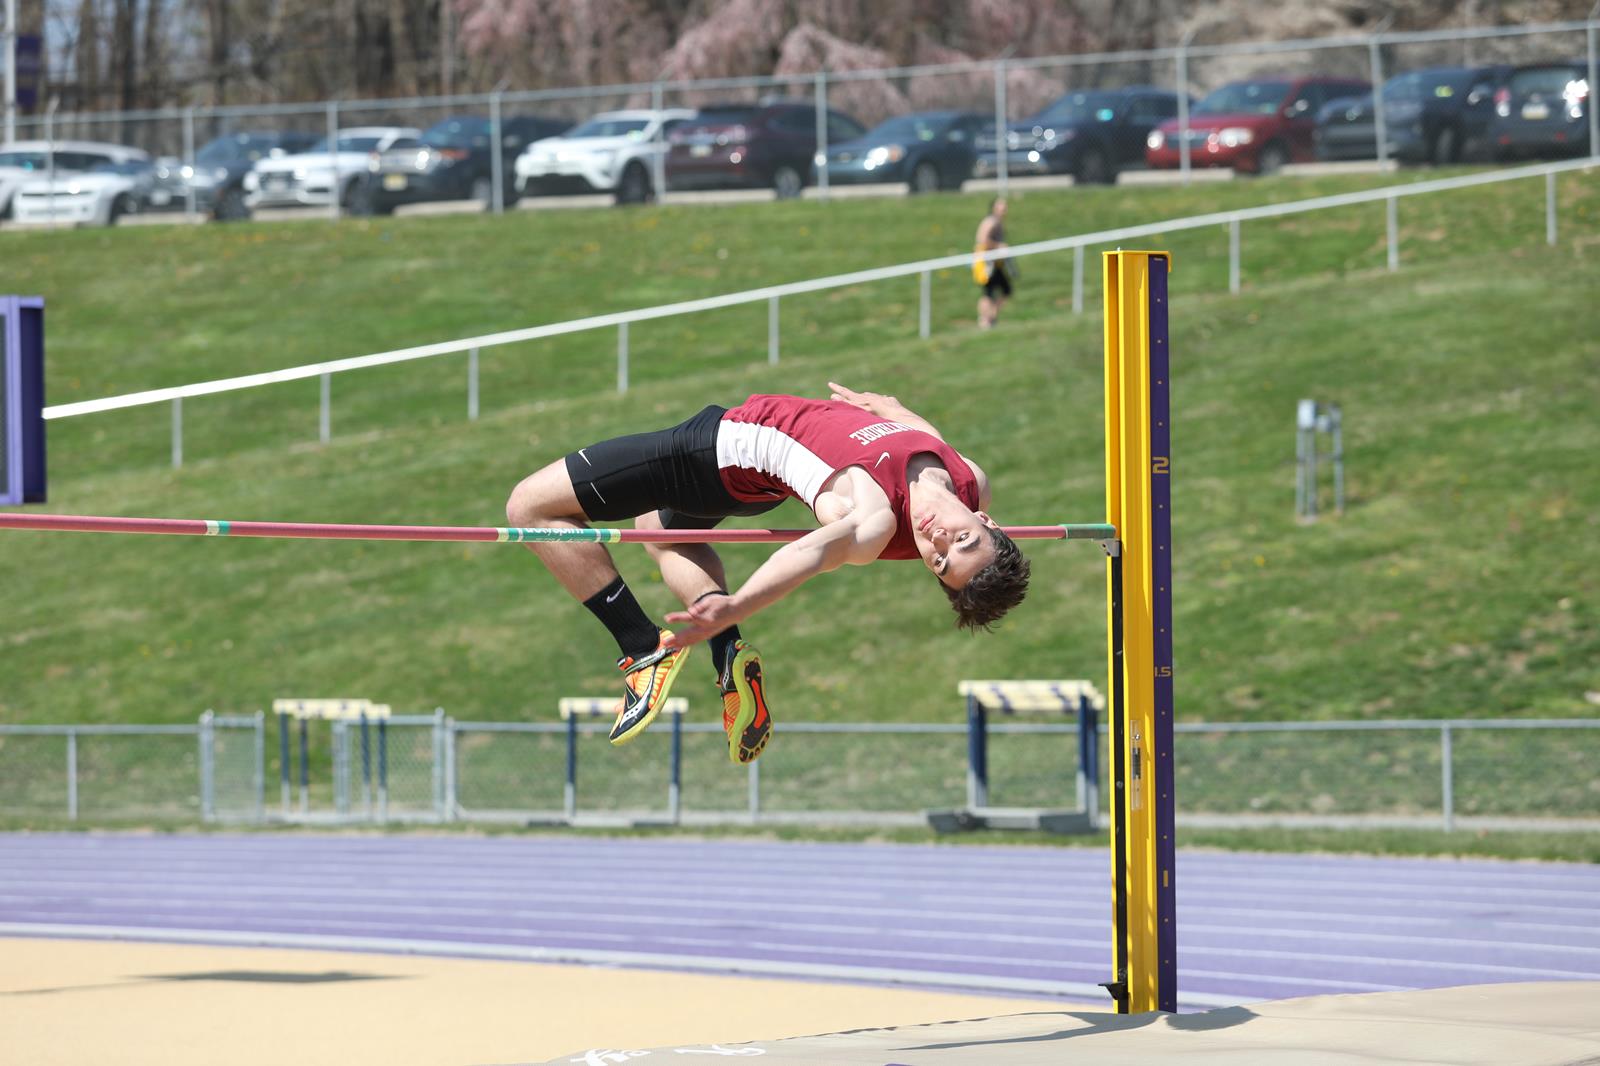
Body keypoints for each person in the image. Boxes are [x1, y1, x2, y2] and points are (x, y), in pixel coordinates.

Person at [504, 383, 1032, 765]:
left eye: (938, 562)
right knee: (659, 534)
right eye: (960, 540)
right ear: (984, 517)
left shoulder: (873, 520)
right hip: (758, 479)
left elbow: (807, 555)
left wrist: (741, 603)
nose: (936, 538)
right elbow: (929, 443)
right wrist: (899, 412)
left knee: (529, 509)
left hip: (714, 453)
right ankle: (728, 656)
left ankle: (641, 646)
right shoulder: (970, 481)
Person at [973, 197, 1012, 329]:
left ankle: (991, 316)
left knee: (1005, 290)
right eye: (1001, 206)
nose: (1004, 209)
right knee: (988, 292)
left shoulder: (998, 222)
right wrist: (998, 246)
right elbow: (983, 240)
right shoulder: (991, 222)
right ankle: (985, 320)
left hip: (995, 262)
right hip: (986, 262)